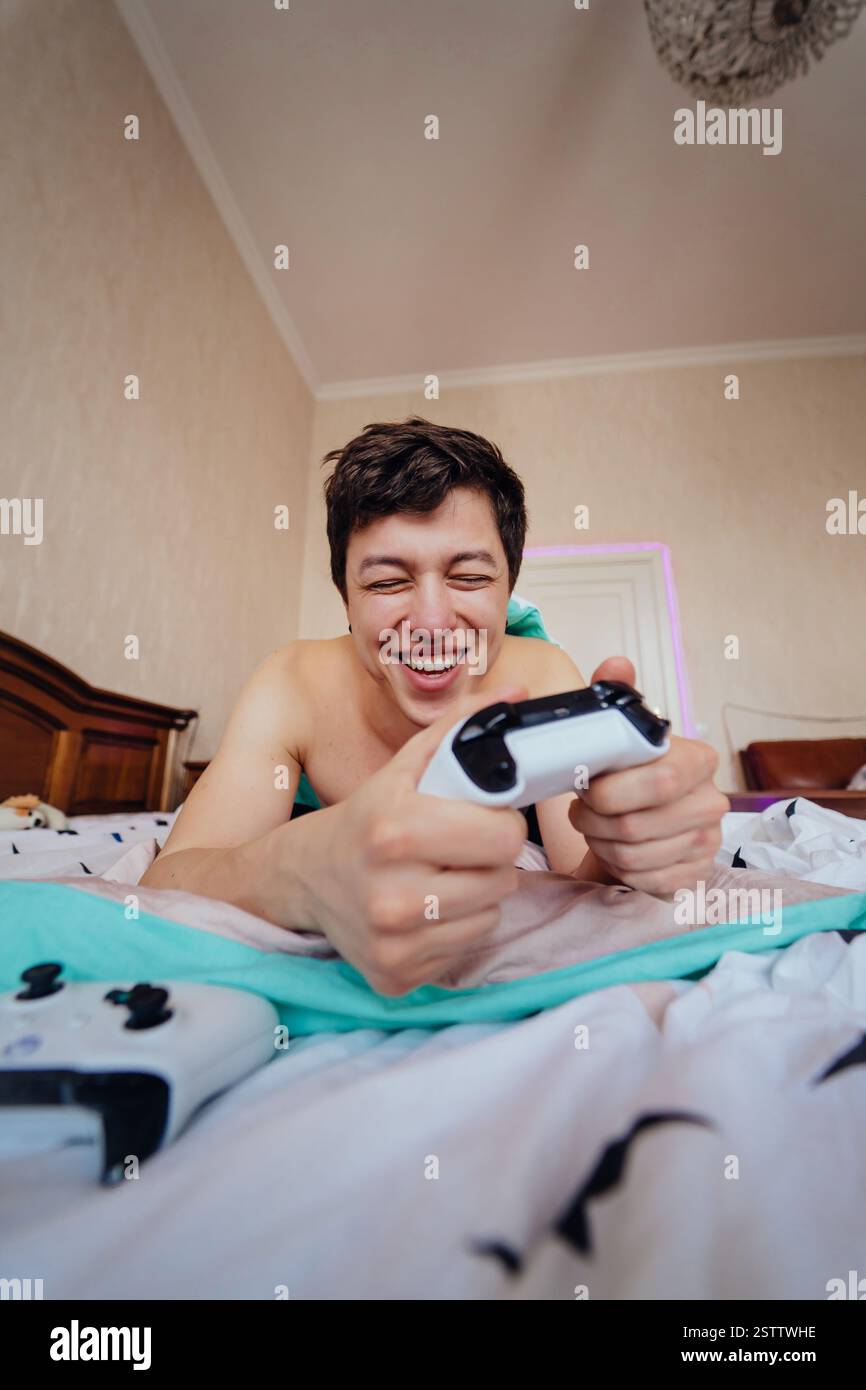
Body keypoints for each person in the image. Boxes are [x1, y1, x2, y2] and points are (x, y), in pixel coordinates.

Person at [142, 417, 728, 994]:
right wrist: (292, 870)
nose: (429, 622)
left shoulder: (542, 672)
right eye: (386, 583)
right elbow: (167, 880)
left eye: (470, 576)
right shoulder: (291, 682)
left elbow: (581, 875)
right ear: (345, 595)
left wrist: (628, 844)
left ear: (508, 589)